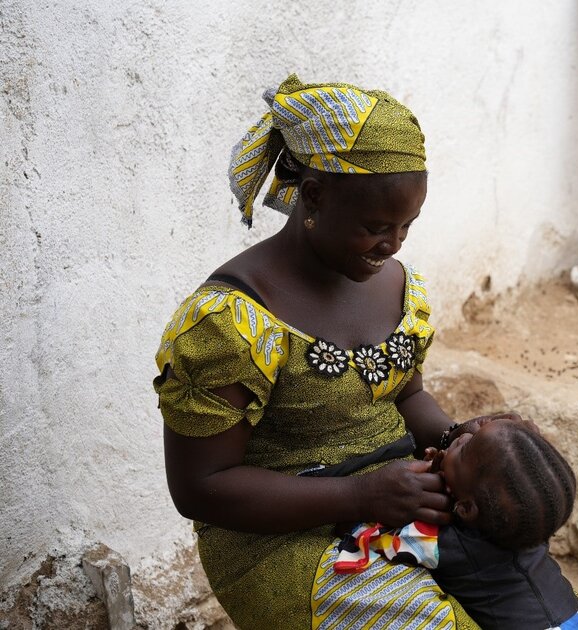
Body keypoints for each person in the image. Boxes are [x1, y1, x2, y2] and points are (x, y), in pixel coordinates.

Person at [155, 74, 487, 629]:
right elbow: (201, 488)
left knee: (543, 608)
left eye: (407, 225)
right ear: (314, 195)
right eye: (375, 226)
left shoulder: (399, 285)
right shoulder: (228, 322)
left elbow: (409, 395)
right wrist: (362, 495)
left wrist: (464, 443)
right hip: (279, 545)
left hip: (398, 502)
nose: (394, 244)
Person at [329, 415, 578, 630]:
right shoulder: (528, 528)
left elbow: (368, 534)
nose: (462, 438)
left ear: (465, 508)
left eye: (464, 450)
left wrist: (355, 511)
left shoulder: (432, 541)